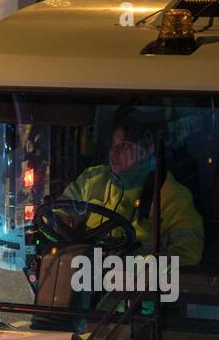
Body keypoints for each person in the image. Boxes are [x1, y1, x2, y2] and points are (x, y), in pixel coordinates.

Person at [62, 114, 204, 266]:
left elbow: (188, 253)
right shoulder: (92, 178)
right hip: (85, 277)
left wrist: (135, 267)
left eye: (124, 145)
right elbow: (59, 211)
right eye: (113, 143)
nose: (114, 151)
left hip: (135, 285)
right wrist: (62, 219)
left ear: (148, 149)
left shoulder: (171, 194)